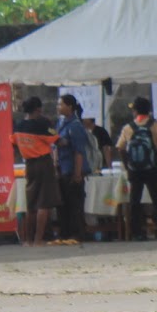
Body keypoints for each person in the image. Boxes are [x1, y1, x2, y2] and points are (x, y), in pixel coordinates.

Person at [118, 96, 157, 240]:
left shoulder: (128, 128)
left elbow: (120, 148)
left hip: (135, 170)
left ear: (135, 111)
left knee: (135, 201)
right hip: (152, 168)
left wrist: (127, 166)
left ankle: (137, 233)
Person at [13, 97, 60, 246]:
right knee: (43, 203)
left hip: (29, 164)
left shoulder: (19, 126)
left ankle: (28, 240)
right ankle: (39, 239)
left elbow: (13, 143)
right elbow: (56, 138)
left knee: (31, 204)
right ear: (38, 109)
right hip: (43, 163)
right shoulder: (42, 124)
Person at [54, 94, 92, 242]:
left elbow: (79, 151)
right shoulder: (61, 123)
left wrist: (77, 173)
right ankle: (65, 233)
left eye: (61, 104)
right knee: (63, 204)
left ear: (69, 107)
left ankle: (77, 233)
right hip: (62, 168)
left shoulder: (75, 125)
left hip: (72, 169)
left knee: (75, 203)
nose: (58, 107)